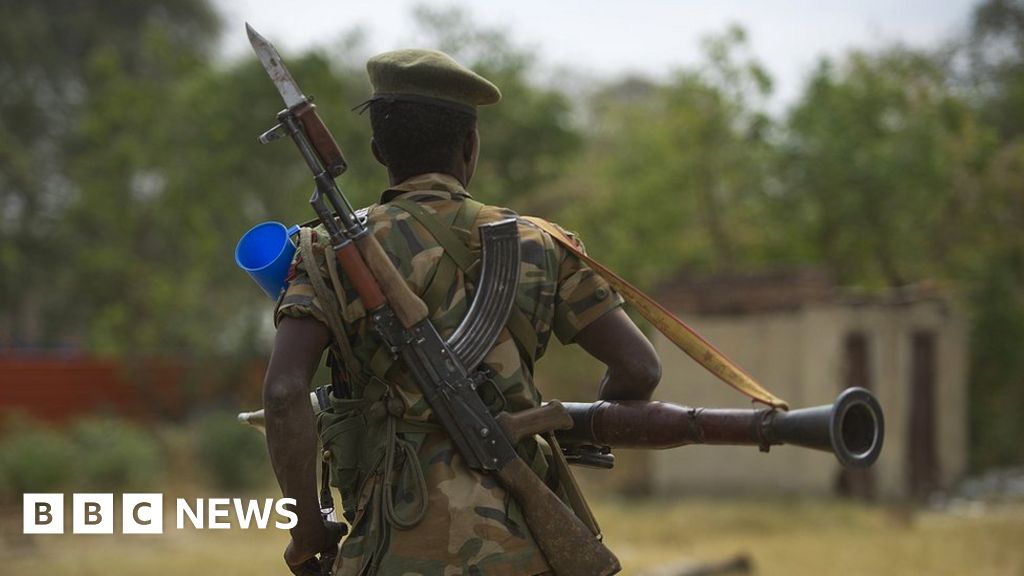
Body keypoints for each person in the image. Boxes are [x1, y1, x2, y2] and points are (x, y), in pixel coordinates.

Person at [262, 48, 661, 576]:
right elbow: (639, 367)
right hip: (522, 548)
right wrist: (567, 435)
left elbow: (285, 391)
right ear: (470, 145)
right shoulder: (539, 243)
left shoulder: (325, 252)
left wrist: (307, 527)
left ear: (379, 148)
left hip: (390, 547)